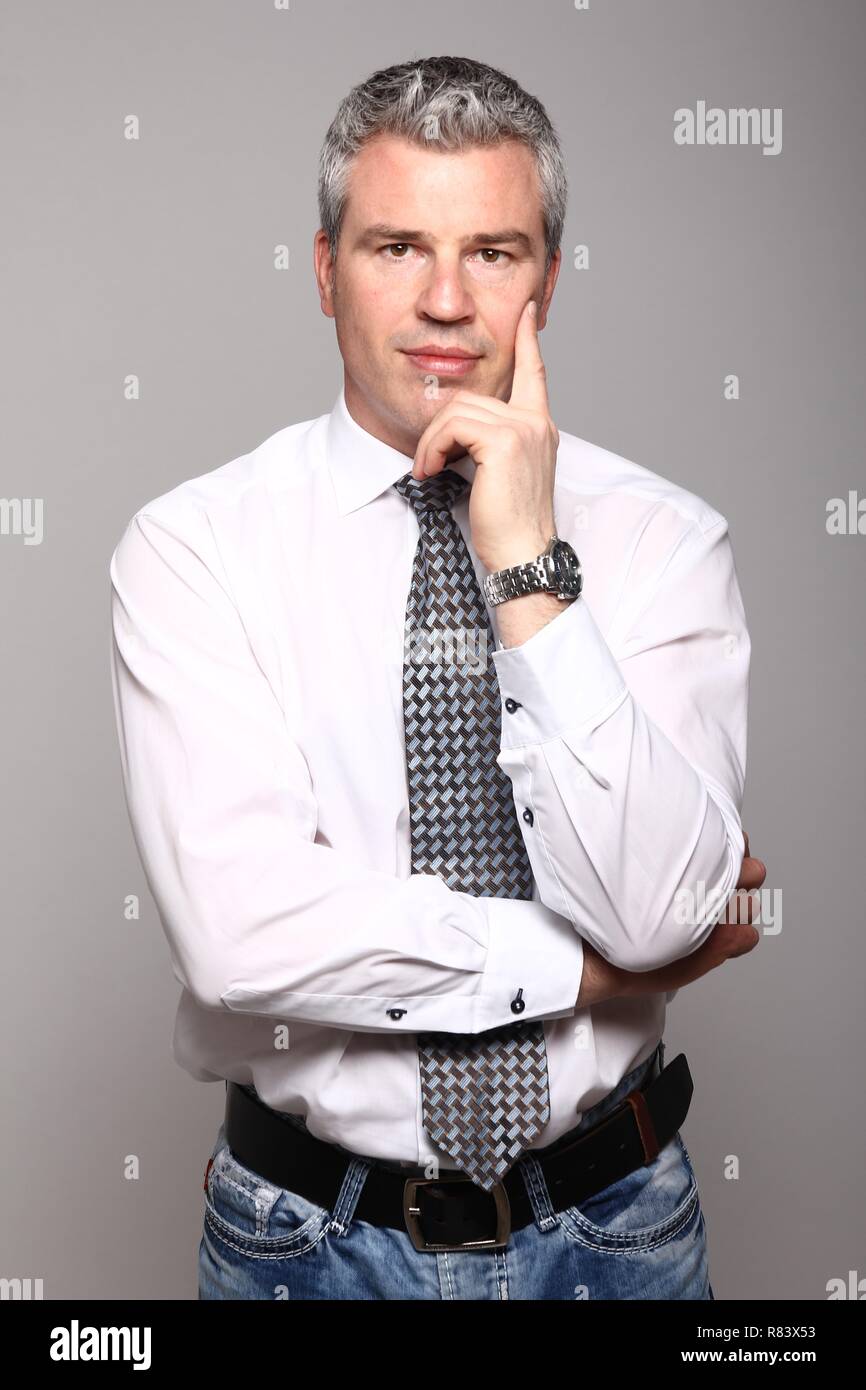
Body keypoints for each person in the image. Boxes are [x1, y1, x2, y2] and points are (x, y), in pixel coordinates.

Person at [108, 55, 764, 1301]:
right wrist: (581, 974)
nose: (446, 300)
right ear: (322, 271)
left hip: (612, 1230)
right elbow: (240, 936)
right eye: (396, 246)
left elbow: (655, 912)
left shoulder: (666, 541)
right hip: (305, 1240)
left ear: (548, 282)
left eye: (495, 252)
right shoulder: (194, 547)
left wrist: (525, 565)